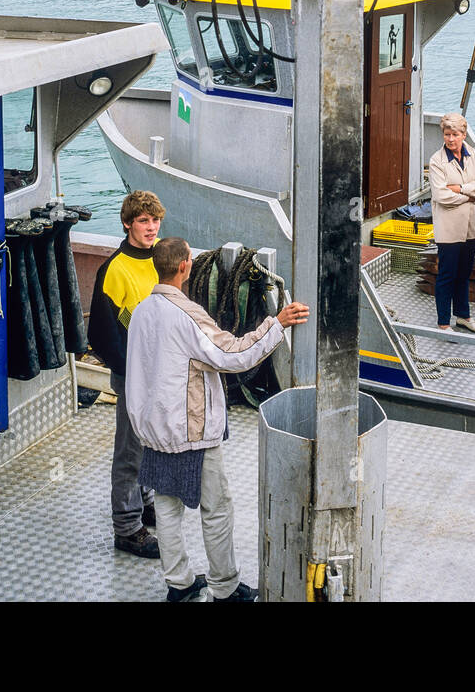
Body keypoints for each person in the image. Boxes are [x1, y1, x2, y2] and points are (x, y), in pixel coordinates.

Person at [126, 236, 309, 602]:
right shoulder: (187, 315)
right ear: (185, 267)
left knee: (166, 506)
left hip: (154, 428)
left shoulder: (142, 311)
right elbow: (233, 355)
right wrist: (277, 323)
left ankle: (178, 584)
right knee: (217, 507)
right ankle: (225, 588)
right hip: (191, 429)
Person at [88, 189, 165, 559]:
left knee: (150, 442)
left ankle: (145, 501)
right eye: (143, 221)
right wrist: (130, 370)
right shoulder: (114, 269)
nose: (151, 228)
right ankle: (127, 526)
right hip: (134, 373)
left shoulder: (161, 258)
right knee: (131, 449)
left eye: (155, 221)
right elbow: (101, 335)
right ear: (127, 223)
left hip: (161, 369)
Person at [427, 112, 475, 334]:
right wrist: (470, 195)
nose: (450, 139)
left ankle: (463, 316)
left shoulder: (474, 155)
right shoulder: (436, 161)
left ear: (464, 134)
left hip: (470, 228)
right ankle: (443, 322)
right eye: (447, 134)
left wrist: (460, 189)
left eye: (455, 134)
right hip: (449, 229)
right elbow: (442, 196)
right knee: (447, 275)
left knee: (464, 274)